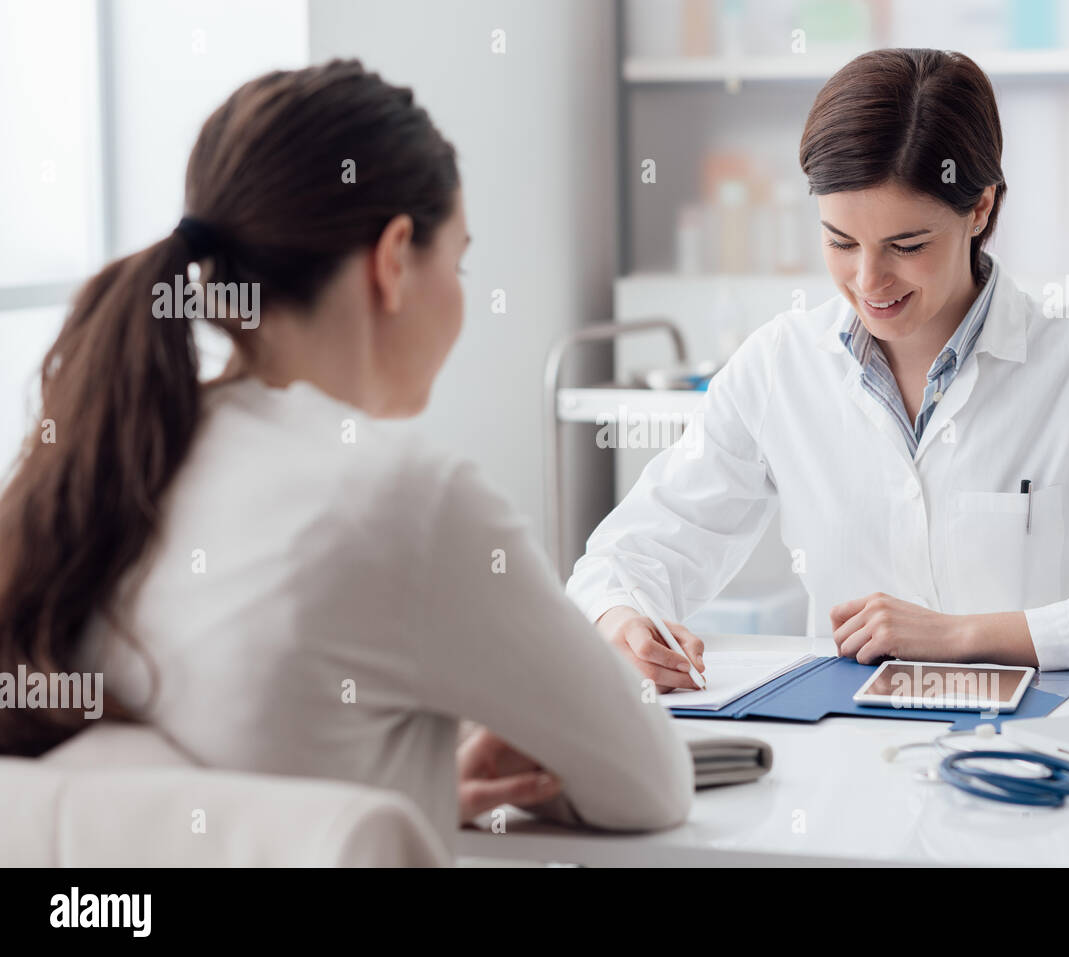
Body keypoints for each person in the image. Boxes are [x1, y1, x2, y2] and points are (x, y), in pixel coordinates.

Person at [0, 60, 692, 843]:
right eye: (457, 262)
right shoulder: (407, 498)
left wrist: (402, 788)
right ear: (394, 258)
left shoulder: (112, 453)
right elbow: (653, 783)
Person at [567, 48, 1069, 687]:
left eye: (906, 244)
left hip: (1040, 766)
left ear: (980, 207)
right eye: (840, 241)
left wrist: (972, 635)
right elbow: (623, 560)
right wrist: (625, 621)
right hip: (846, 764)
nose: (869, 280)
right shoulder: (780, 366)